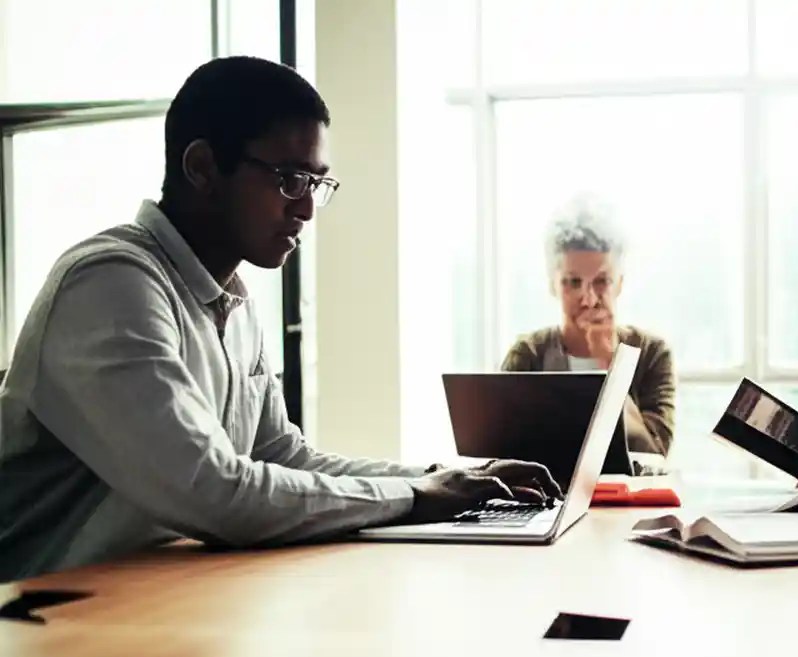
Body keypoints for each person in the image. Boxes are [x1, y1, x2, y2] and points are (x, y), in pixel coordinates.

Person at [0, 57, 558, 583]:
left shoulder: (232, 299)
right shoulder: (111, 284)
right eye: (289, 178)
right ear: (202, 167)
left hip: (160, 597)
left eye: (317, 183)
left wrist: (441, 480)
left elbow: (283, 457)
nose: (307, 208)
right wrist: (417, 497)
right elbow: (215, 490)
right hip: (45, 621)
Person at [502, 196, 676, 456]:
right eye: (573, 282)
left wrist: (612, 367)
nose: (589, 299)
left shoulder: (652, 354)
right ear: (553, 285)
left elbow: (654, 453)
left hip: (629, 496)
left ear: (619, 283)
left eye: (601, 281)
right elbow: (502, 450)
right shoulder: (529, 355)